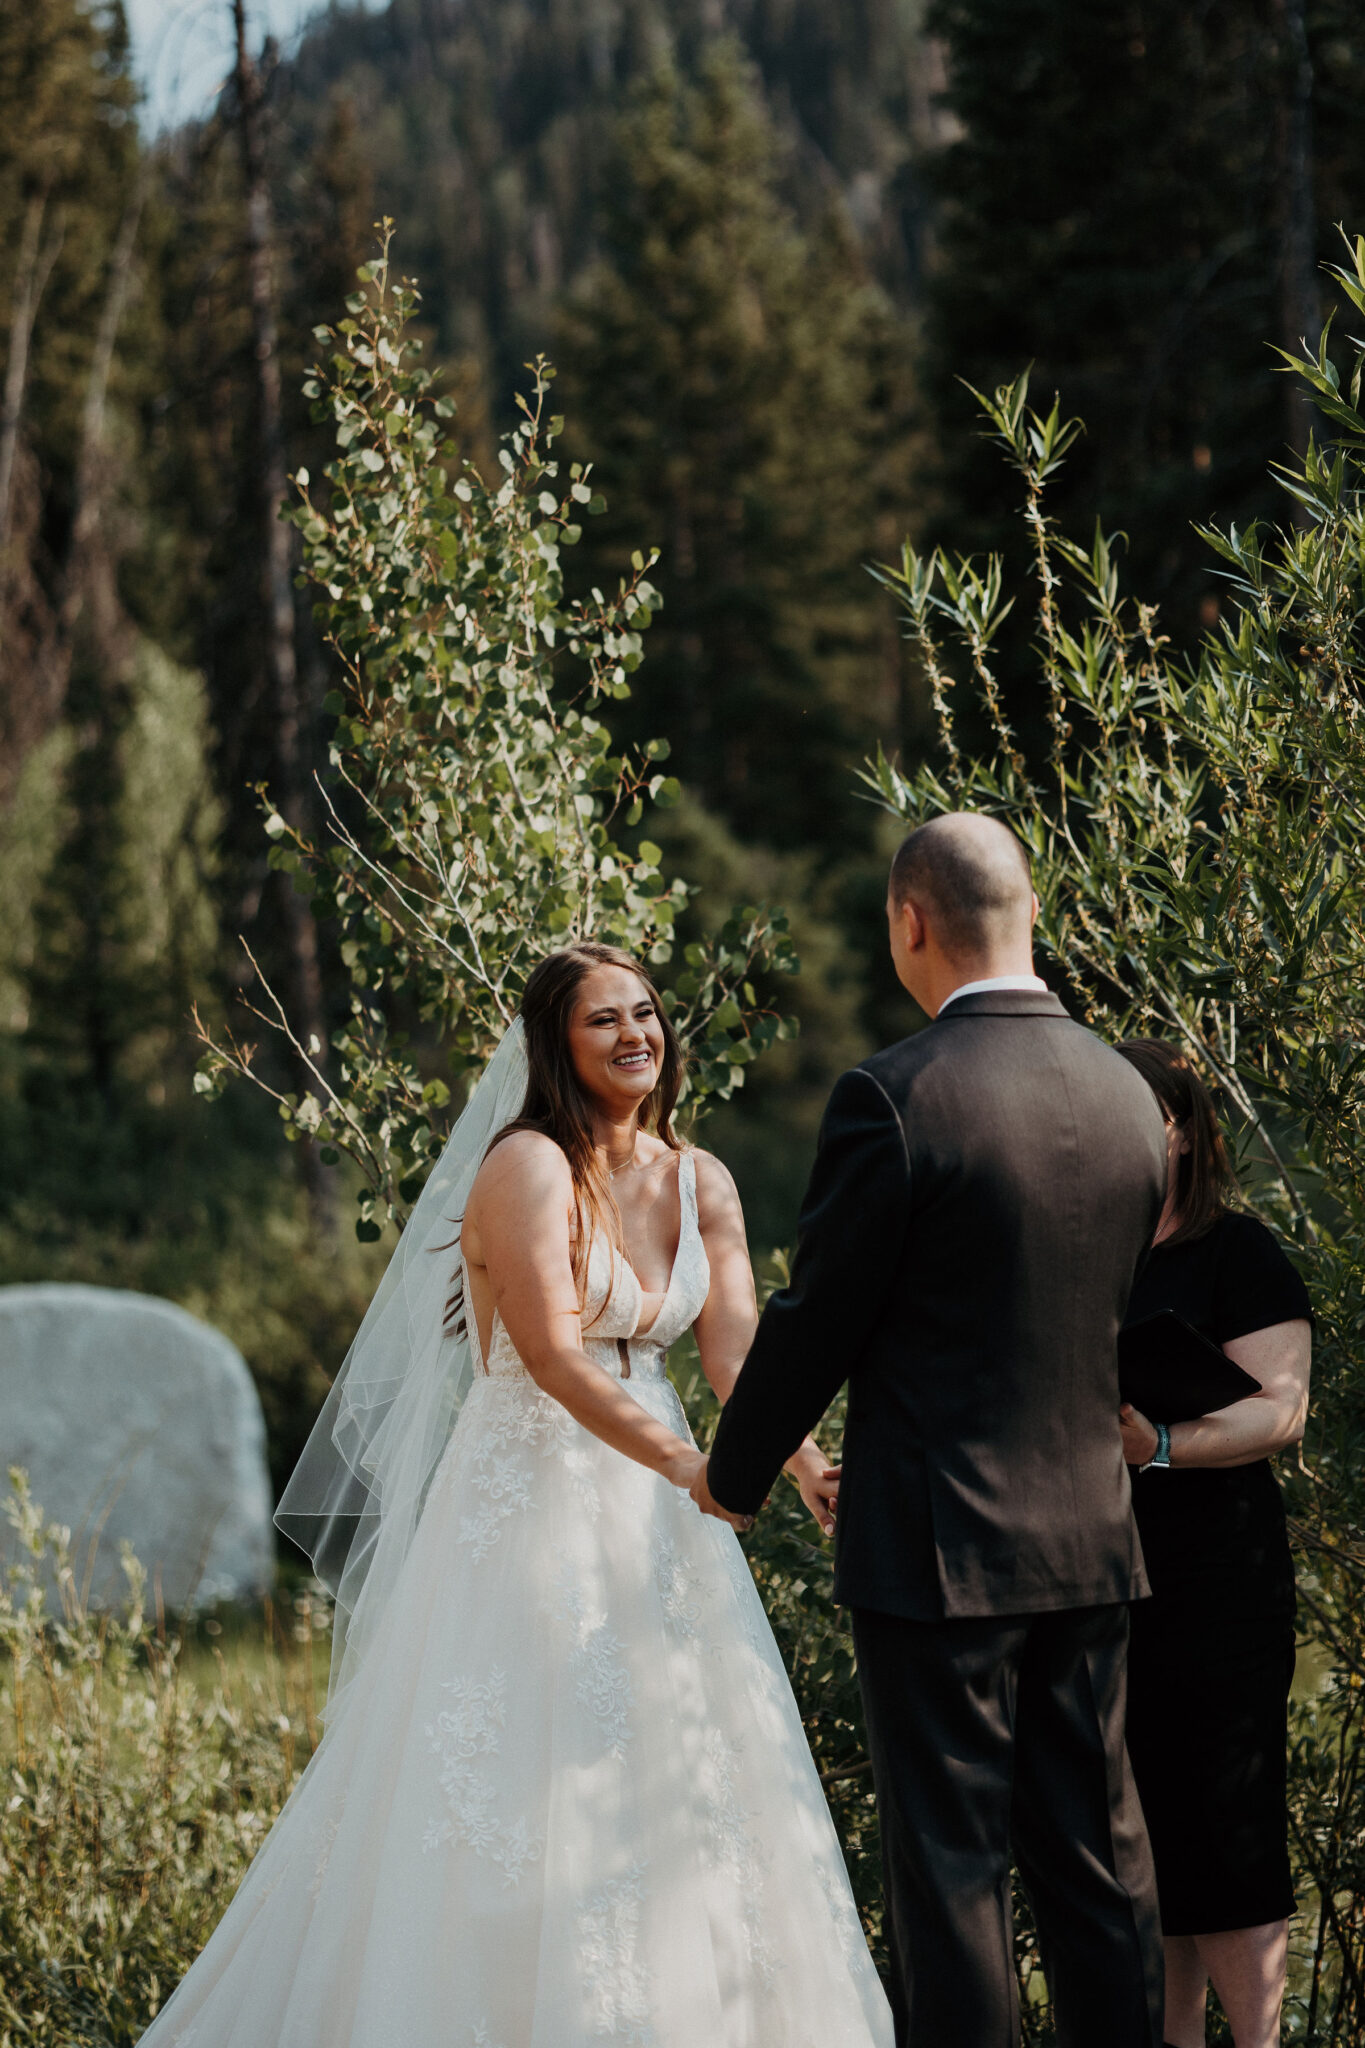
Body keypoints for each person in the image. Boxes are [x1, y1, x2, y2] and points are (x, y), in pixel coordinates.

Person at [138, 941, 892, 2048]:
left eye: (646, 1012)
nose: (638, 1033)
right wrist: (687, 1464)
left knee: (685, 1758)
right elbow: (551, 1351)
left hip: (662, 1519)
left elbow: (734, 1351)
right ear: (556, 1043)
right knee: (513, 1771)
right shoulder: (527, 1166)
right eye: (605, 1020)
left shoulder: (702, 1177)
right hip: (536, 1492)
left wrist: (803, 1459)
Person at [695, 811, 1170, 2048]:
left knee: (953, 1874)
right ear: (1028, 910)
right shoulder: (1129, 1093)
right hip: (1094, 1541)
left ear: (911, 921)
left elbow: (817, 1320)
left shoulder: (897, 1097)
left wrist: (735, 1474)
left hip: (940, 1548)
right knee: (1100, 1856)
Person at [1115, 1040, 1312, 2048]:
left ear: (1182, 1129)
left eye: (1135, 1108)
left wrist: (1158, 1443)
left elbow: (1282, 1411)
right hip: (1105, 1575)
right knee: (1143, 1836)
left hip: (1218, 1576)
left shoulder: (1237, 1252)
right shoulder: (1082, 1251)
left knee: (1226, 1831)